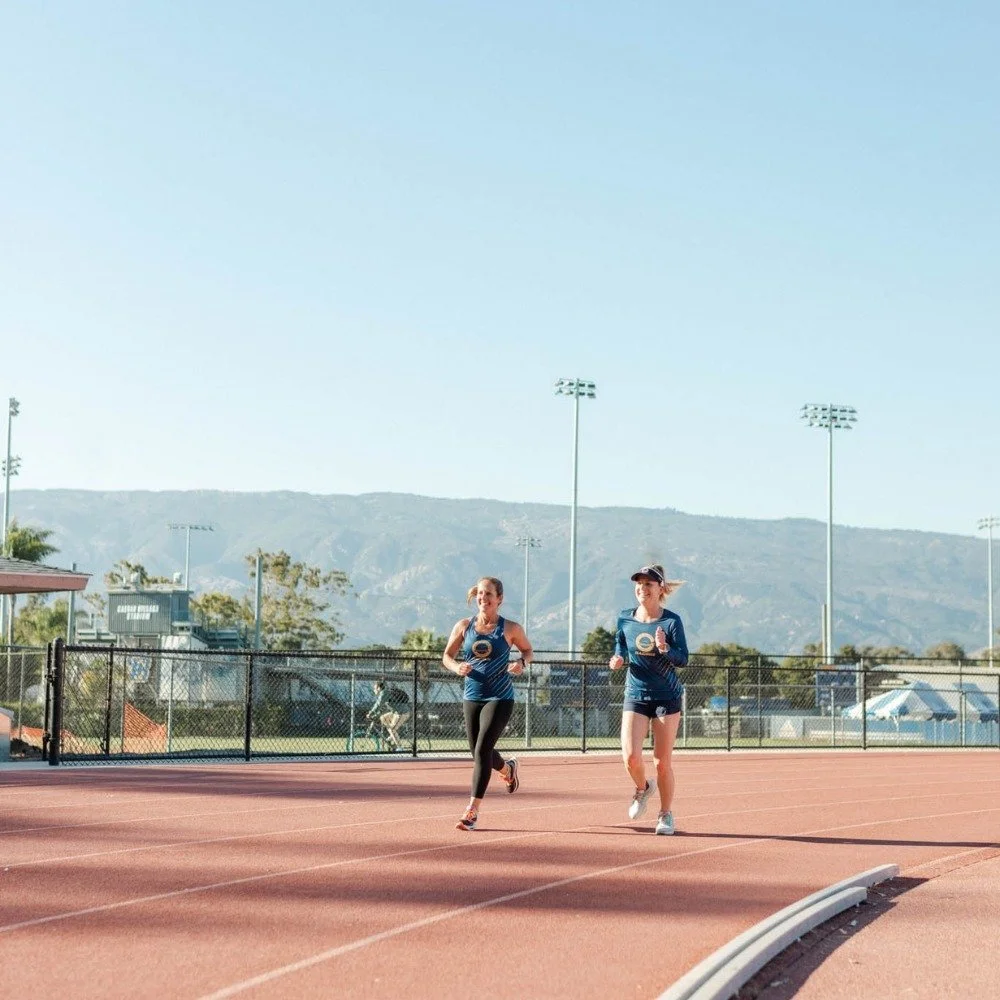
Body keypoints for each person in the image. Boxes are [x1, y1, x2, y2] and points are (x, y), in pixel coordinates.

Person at [442, 576, 533, 831]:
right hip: (472, 695)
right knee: (477, 752)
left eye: (489, 594)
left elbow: (528, 651)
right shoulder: (463, 626)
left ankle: (472, 811)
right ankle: (507, 768)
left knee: (482, 750)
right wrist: (456, 666)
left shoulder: (510, 628)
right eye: (480, 594)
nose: (483, 598)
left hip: (500, 697)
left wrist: (521, 663)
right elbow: (447, 656)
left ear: (499, 599)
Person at [608, 564, 688, 835]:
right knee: (631, 758)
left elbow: (683, 659)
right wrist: (618, 658)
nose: (642, 588)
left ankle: (665, 814)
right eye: (639, 584)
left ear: (660, 589)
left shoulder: (671, 621)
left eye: (649, 584)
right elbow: (620, 644)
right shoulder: (624, 618)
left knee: (662, 762)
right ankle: (642, 789)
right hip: (635, 694)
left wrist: (665, 649)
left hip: (667, 696)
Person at [366, 678, 410, 751]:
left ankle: (400, 747)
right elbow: (381, 709)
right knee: (383, 717)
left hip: (402, 713)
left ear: (379, 688)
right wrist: (374, 716)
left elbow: (378, 704)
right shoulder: (385, 694)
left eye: (375, 688)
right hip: (395, 712)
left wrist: (370, 713)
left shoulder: (384, 693)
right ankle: (392, 736)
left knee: (392, 729)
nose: (374, 690)